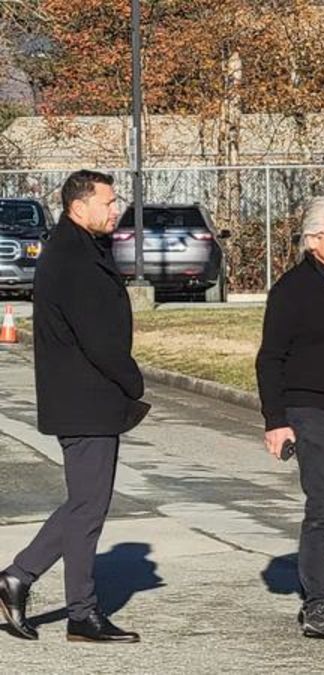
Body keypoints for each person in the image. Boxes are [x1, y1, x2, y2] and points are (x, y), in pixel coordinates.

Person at [0, 170, 148, 643]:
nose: (114, 209)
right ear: (77, 206)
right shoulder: (73, 257)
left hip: (87, 397)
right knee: (88, 506)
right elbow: (99, 340)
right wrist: (132, 380)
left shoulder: (79, 248)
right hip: (85, 398)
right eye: (107, 202)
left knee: (88, 504)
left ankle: (22, 581)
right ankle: (72, 607)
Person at [255, 196, 324, 638]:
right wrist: (275, 420)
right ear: (314, 239)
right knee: (322, 506)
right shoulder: (292, 290)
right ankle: (318, 604)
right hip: (309, 409)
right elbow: (270, 359)